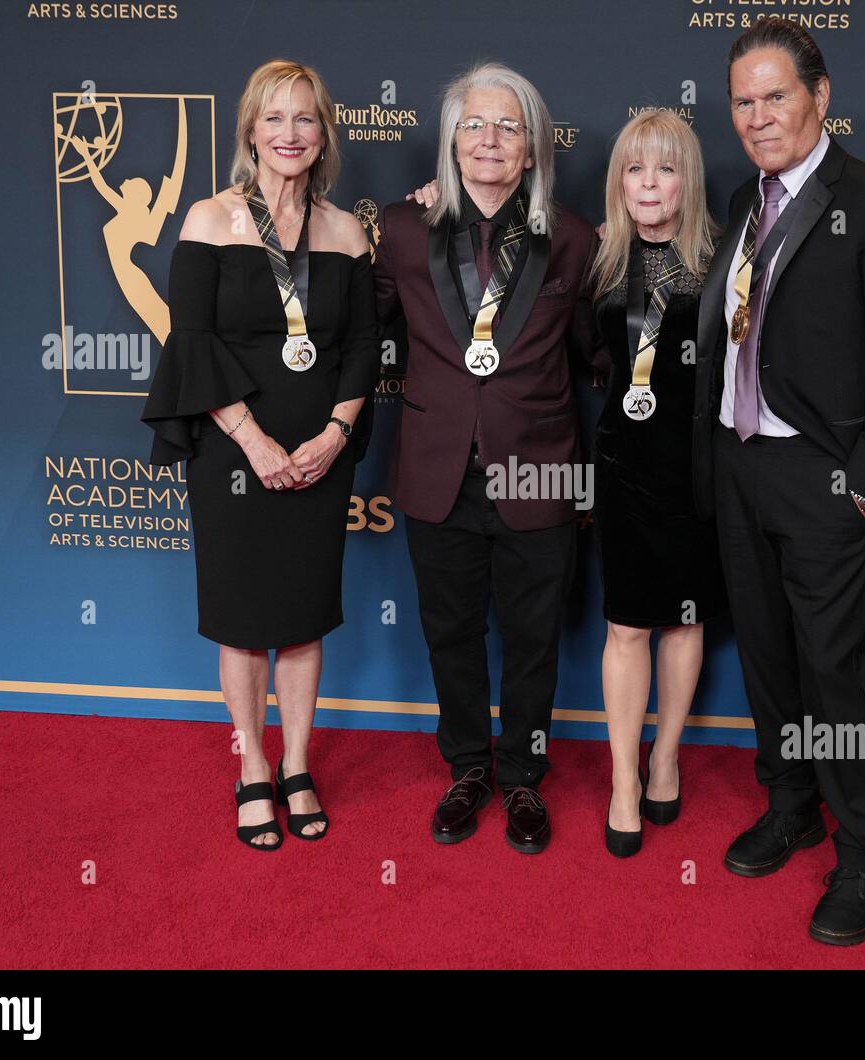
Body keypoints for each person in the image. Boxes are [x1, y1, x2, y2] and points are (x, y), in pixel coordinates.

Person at [693, 20, 865, 942]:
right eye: (743, 102)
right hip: (738, 462)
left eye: (776, 97)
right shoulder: (741, 201)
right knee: (764, 653)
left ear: (821, 96)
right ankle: (791, 804)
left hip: (823, 476)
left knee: (832, 669)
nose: (759, 118)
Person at [141, 59, 378, 851]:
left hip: (318, 456)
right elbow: (193, 346)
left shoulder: (347, 231)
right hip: (234, 452)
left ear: (323, 134)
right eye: (273, 119)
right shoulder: (209, 220)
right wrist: (255, 441)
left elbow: (361, 350)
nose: (289, 134)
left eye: (305, 119)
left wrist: (334, 436)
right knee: (245, 625)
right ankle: (251, 768)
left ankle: (299, 764)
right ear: (250, 130)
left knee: (304, 621)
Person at [373, 62, 602, 855]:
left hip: (539, 471)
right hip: (437, 472)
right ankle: (468, 768)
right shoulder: (404, 231)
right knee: (451, 632)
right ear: (451, 142)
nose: (489, 140)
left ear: (534, 148)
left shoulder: (572, 239)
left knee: (536, 639)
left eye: (508, 126)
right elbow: (355, 332)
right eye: (473, 125)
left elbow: (599, 355)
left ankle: (524, 778)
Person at [588, 110, 724, 857]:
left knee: (685, 618)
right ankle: (622, 780)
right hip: (623, 470)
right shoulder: (599, 258)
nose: (648, 183)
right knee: (627, 625)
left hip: (699, 472)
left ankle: (666, 755)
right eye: (635, 169)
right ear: (619, 182)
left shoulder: (723, 261)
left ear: (687, 181)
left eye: (665, 168)